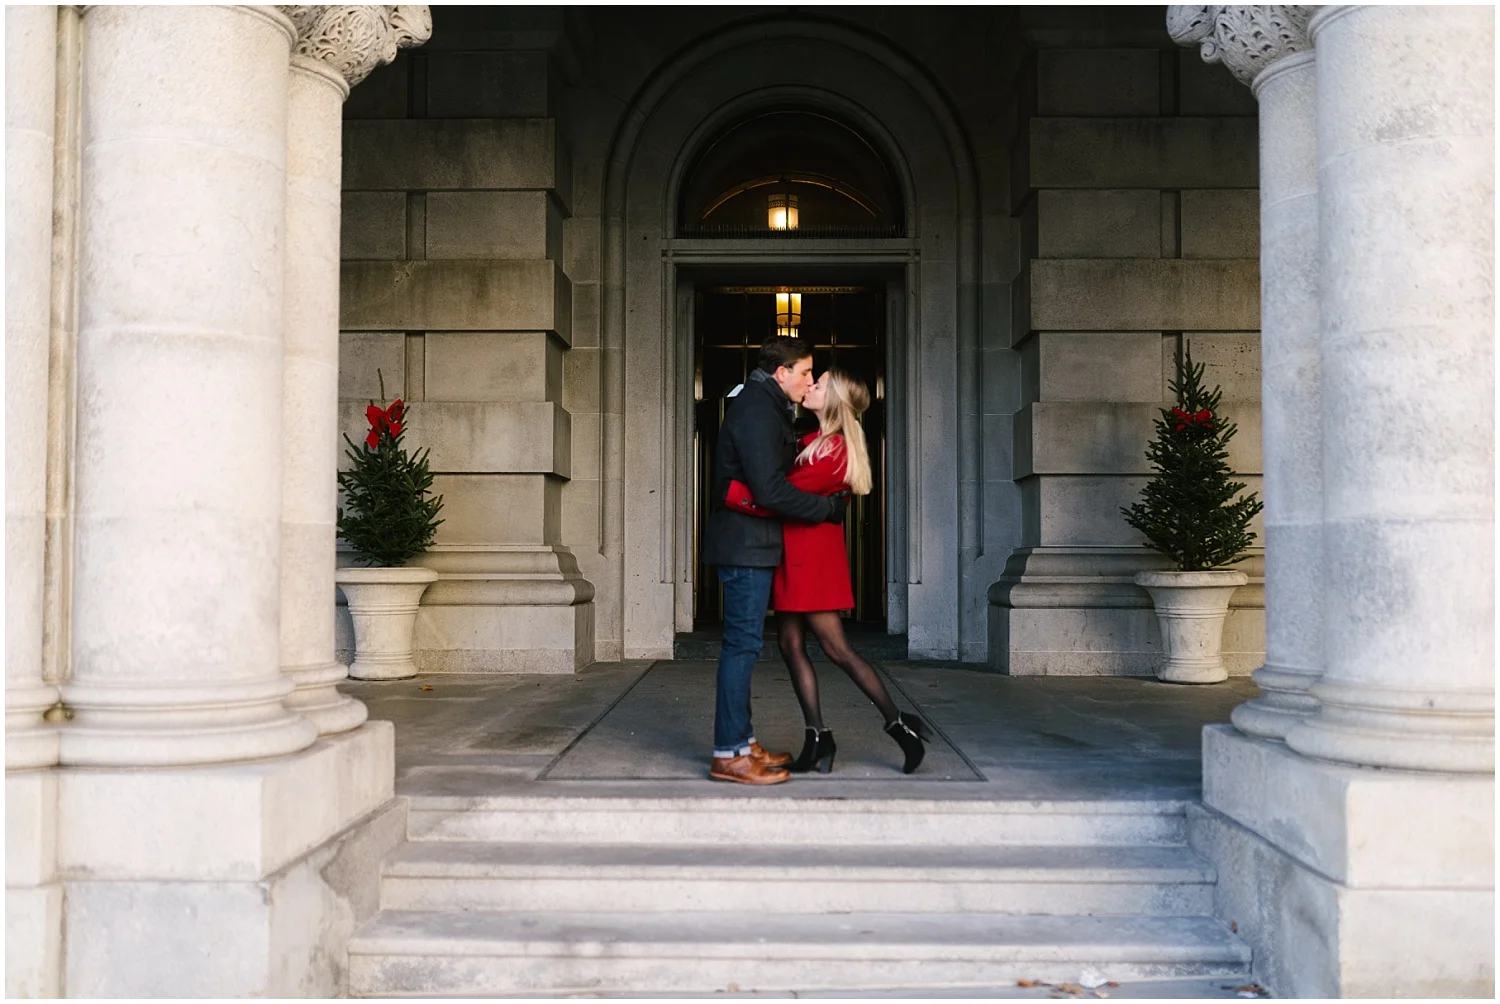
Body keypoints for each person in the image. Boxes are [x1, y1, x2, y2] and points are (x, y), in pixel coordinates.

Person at [723, 367, 933, 774]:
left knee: (837, 649)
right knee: (788, 644)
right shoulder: (809, 440)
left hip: (812, 562)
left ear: (834, 399)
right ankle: (819, 737)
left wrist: (730, 493)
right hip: (794, 556)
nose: (811, 385)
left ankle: (900, 726)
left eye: (818, 384)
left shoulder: (833, 450)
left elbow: (776, 495)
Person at [700, 337, 848, 785]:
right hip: (746, 547)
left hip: (754, 545)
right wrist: (824, 509)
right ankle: (730, 755)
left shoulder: (767, 407)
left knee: (746, 645)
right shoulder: (760, 409)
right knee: (742, 647)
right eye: (806, 372)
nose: (810, 380)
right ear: (782, 372)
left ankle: (742, 744)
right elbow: (769, 489)